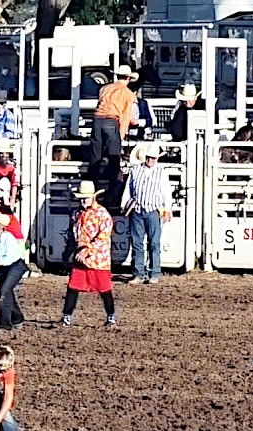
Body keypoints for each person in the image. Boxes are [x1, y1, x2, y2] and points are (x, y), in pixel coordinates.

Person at [63, 180, 117, 327]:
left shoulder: (102, 214)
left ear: (93, 197)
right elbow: (73, 234)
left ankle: (111, 316)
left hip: (98, 258)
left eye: (85, 198)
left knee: (105, 289)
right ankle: (66, 317)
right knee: (73, 286)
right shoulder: (78, 213)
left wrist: (87, 250)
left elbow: (103, 236)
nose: (83, 200)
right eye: (81, 198)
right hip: (81, 256)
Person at [121, 142, 173, 285]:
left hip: (153, 210)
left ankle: (154, 272)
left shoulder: (162, 172)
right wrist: (125, 205)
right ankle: (139, 273)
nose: (151, 160)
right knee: (137, 243)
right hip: (137, 209)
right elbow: (128, 190)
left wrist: (167, 209)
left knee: (154, 243)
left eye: (153, 158)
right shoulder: (135, 170)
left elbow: (166, 192)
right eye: (149, 157)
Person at [89, 65, 139, 188]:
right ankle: (112, 187)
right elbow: (126, 116)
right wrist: (122, 134)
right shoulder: (127, 93)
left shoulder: (104, 89)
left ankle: (92, 183)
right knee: (113, 156)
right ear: (128, 78)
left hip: (97, 119)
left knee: (95, 154)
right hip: (111, 120)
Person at [0, 211, 27, 331]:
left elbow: (12, 257)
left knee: (4, 292)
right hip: (1, 267)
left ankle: (4, 324)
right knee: (7, 293)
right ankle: (17, 318)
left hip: (15, 266)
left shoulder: (7, 237)